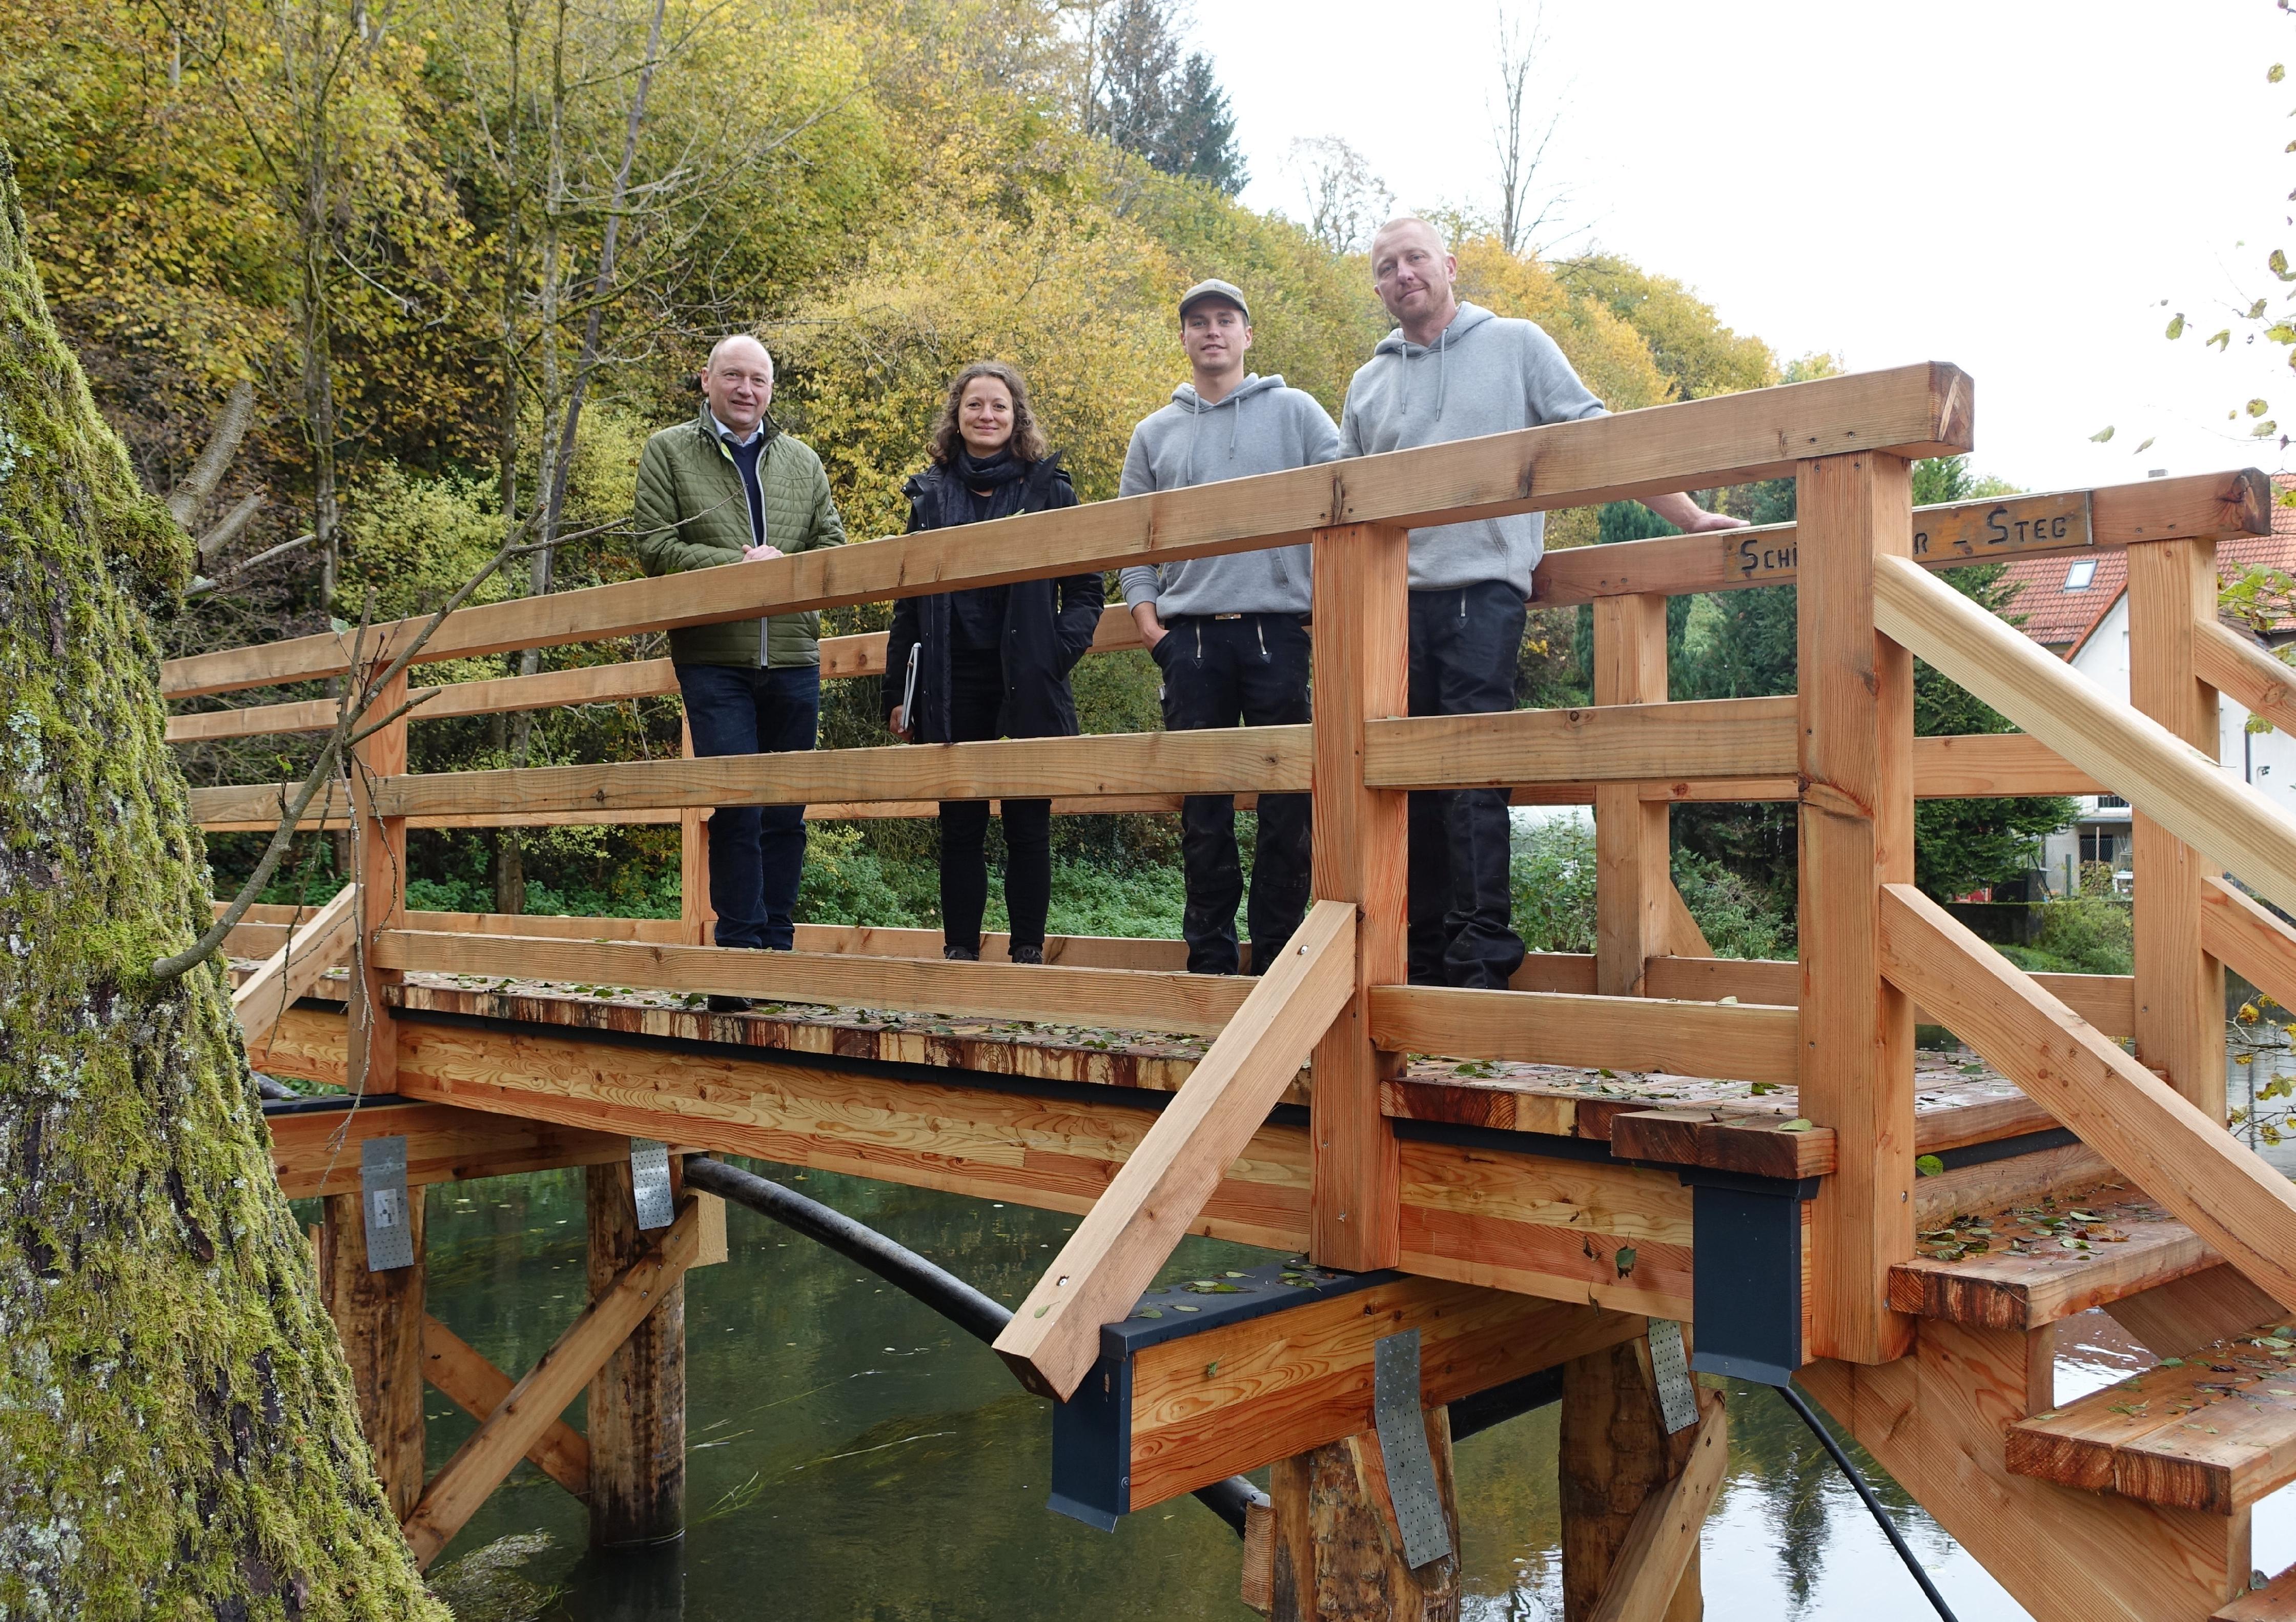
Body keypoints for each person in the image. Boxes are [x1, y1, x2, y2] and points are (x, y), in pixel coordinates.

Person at [1339, 217, 1746, 989]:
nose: (1403, 274)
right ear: (1378, 286)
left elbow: (1597, 436)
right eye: (1387, 266)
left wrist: (1689, 517)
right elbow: (1340, 503)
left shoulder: (1516, 344)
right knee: (1398, 782)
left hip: (1482, 590)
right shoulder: (1367, 383)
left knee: (1472, 772)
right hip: (1388, 605)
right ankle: (1415, 956)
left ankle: (1479, 954)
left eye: (1415, 258)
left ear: (1449, 265)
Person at [1117, 279, 1341, 976]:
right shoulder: (1154, 433)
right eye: (1197, 323)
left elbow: (1349, 499)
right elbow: (1131, 540)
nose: (1211, 332)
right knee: (1203, 806)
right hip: (1191, 641)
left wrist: (1322, 600)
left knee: (1287, 800)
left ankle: (1278, 956)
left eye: (1224, 321)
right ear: (1183, 339)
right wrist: (1151, 625)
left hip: (1279, 631)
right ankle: (1209, 960)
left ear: (1247, 335)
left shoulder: (1298, 413)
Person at [634, 335, 846, 1012]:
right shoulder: (669, 451)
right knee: (737, 805)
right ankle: (738, 959)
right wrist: (736, 568)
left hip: (791, 654)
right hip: (714, 655)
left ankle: (777, 954)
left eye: (759, 379)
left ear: (771, 389)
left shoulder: (802, 460)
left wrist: (786, 567)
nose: (746, 389)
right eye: (733, 376)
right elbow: (655, 546)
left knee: (786, 809)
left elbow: (834, 548)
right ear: (707, 381)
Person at [885, 362, 1101, 964]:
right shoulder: (928, 495)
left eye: (998, 406)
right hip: (952, 681)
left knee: (1028, 825)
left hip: (1027, 677)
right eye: (974, 404)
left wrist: (1053, 655)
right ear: (957, 415)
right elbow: (907, 604)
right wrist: (898, 688)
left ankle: (1027, 954)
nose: (986, 415)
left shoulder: (1049, 489)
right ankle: (960, 956)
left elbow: (1087, 589)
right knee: (960, 829)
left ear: (1016, 416)